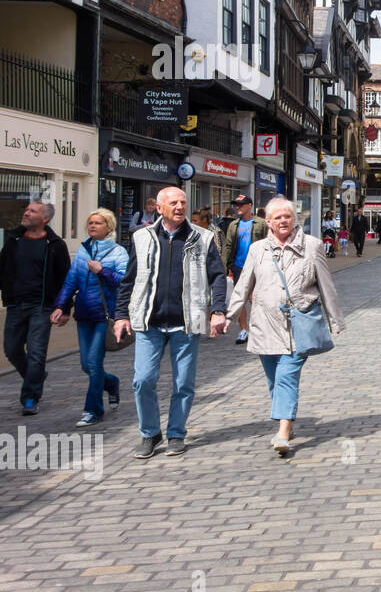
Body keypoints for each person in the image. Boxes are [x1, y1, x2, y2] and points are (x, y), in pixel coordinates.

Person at [225, 196, 344, 454]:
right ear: (267, 221)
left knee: (286, 376)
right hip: (264, 324)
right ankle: (285, 419)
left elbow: (326, 285)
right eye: (277, 217)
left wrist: (334, 320)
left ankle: (282, 432)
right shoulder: (257, 249)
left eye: (287, 216)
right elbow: (244, 284)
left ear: (295, 219)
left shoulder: (312, 246)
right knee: (273, 379)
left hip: (297, 323)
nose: (283, 221)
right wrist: (229, 317)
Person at [114, 187, 228, 458]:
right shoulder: (141, 237)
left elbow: (218, 276)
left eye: (183, 202)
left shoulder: (202, 237)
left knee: (183, 383)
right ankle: (150, 433)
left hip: (187, 323)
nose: (179, 206)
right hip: (149, 322)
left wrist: (219, 310)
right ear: (159, 208)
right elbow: (128, 280)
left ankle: (176, 433)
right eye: (173, 202)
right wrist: (120, 315)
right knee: (142, 380)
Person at [50, 209, 130, 426]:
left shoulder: (118, 252)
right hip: (84, 314)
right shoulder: (83, 251)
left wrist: (102, 270)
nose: (92, 226)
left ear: (109, 227)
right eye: (90, 222)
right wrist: (61, 306)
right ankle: (111, 383)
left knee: (94, 364)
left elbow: (124, 281)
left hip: (105, 316)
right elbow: (71, 281)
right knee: (86, 365)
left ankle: (93, 410)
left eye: (98, 223)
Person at [2, 200, 71, 415]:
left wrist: (65, 308)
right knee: (12, 350)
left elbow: (66, 279)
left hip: (42, 307)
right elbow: (2, 268)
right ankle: (36, 376)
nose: (27, 213)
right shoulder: (13, 239)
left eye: (33, 211)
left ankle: (30, 397)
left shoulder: (55, 245)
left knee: (36, 353)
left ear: (45, 218)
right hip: (15, 304)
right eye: (27, 210)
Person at [224, 194, 267, 346]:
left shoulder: (261, 223)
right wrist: (226, 266)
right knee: (240, 298)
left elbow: (268, 243)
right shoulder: (234, 225)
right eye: (236, 205)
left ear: (249, 205)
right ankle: (243, 330)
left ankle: (260, 328)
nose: (238, 207)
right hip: (238, 266)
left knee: (255, 298)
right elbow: (228, 246)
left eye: (241, 205)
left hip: (257, 266)